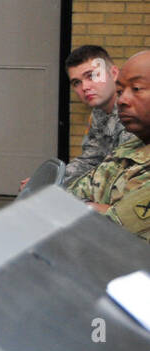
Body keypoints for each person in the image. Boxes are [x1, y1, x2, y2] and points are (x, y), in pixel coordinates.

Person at [67, 50, 150, 241]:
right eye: (76, 83)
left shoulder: (135, 124)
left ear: (113, 74)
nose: (122, 100)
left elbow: (117, 224)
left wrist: (100, 208)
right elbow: (92, 166)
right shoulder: (102, 115)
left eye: (136, 89)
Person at [62, 45, 138, 185]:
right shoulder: (99, 112)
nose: (84, 87)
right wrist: (53, 180)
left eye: (91, 76)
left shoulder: (135, 111)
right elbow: (91, 159)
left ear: (114, 73)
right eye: (77, 82)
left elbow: (123, 174)